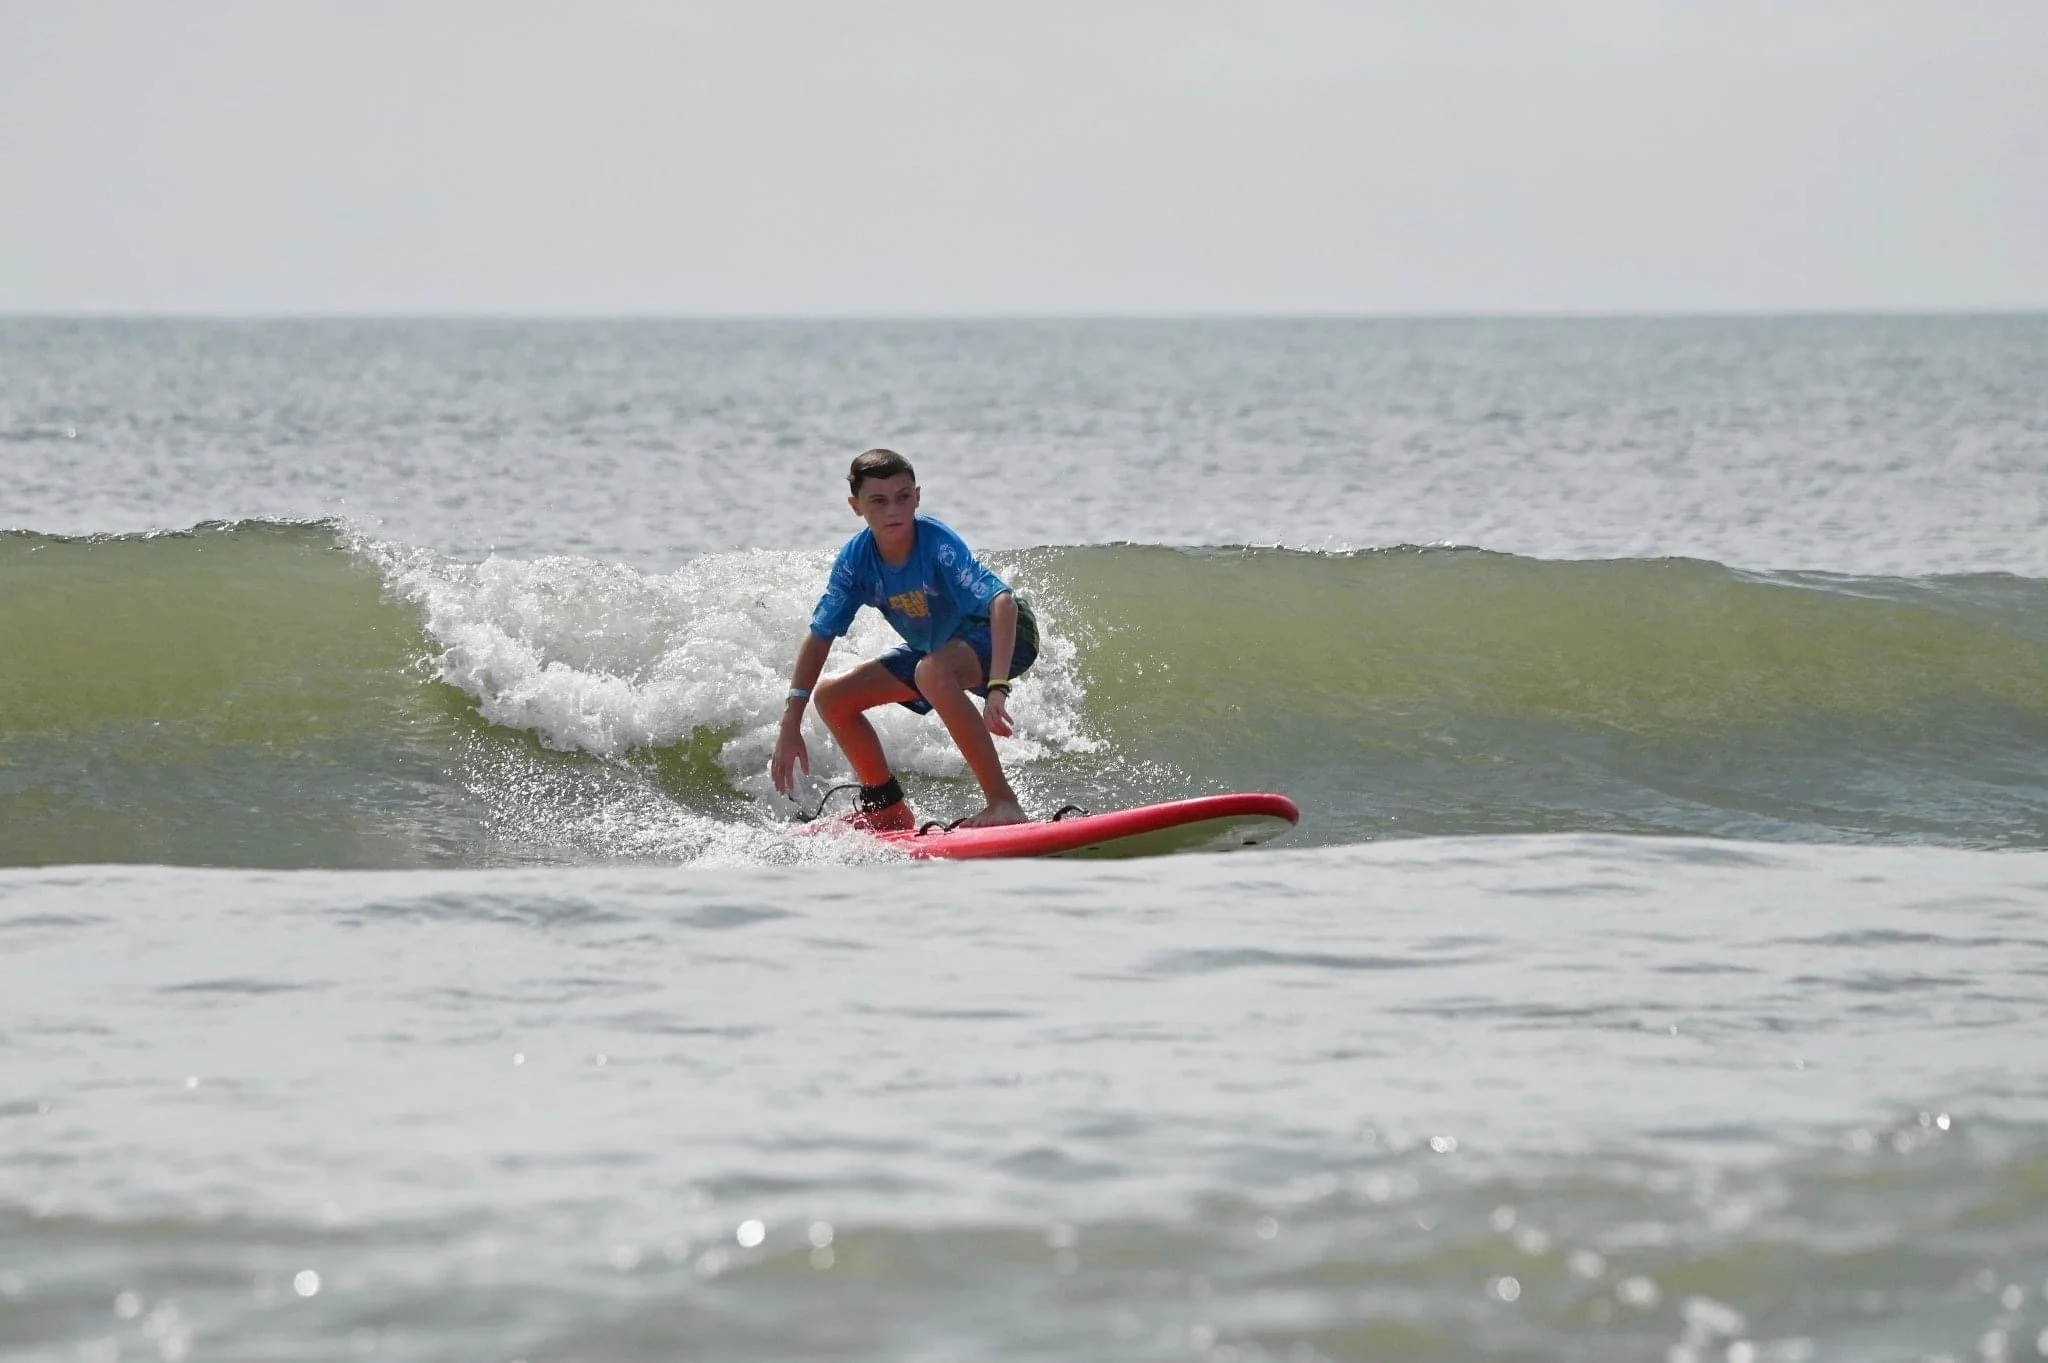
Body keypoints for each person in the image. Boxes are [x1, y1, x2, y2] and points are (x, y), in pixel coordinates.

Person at [771, 448, 1038, 830]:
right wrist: (790, 722)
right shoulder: (855, 563)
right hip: (935, 651)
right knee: (832, 697)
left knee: (931, 673)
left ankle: (1003, 804)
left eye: (903, 497)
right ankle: (885, 808)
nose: (893, 510)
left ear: (917, 496)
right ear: (856, 506)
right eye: (878, 501)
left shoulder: (936, 543)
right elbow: (819, 638)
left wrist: (997, 687)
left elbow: (1004, 604)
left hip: (1007, 636)